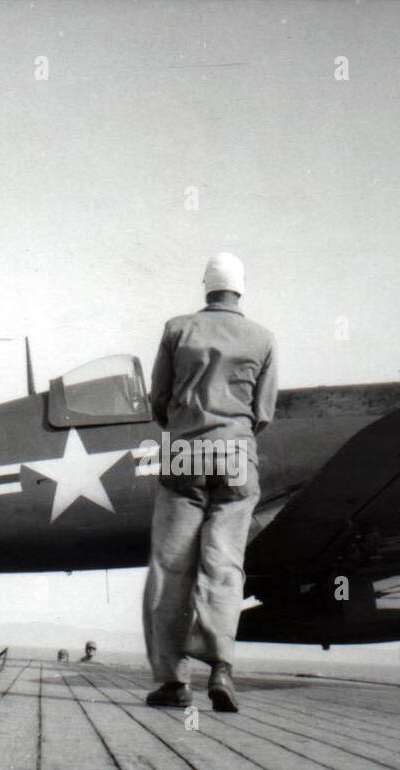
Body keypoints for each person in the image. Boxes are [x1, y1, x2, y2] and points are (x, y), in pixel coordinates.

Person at [143, 252, 278, 713]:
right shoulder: (262, 338)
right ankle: (221, 668)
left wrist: (183, 424)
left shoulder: (178, 329)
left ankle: (172, 682)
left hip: (183, 454)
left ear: (206, 286)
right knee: (223, 565)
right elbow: (263, 413)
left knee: (171, 568)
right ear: (240, 288)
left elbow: (158, 400)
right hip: (236, 454)